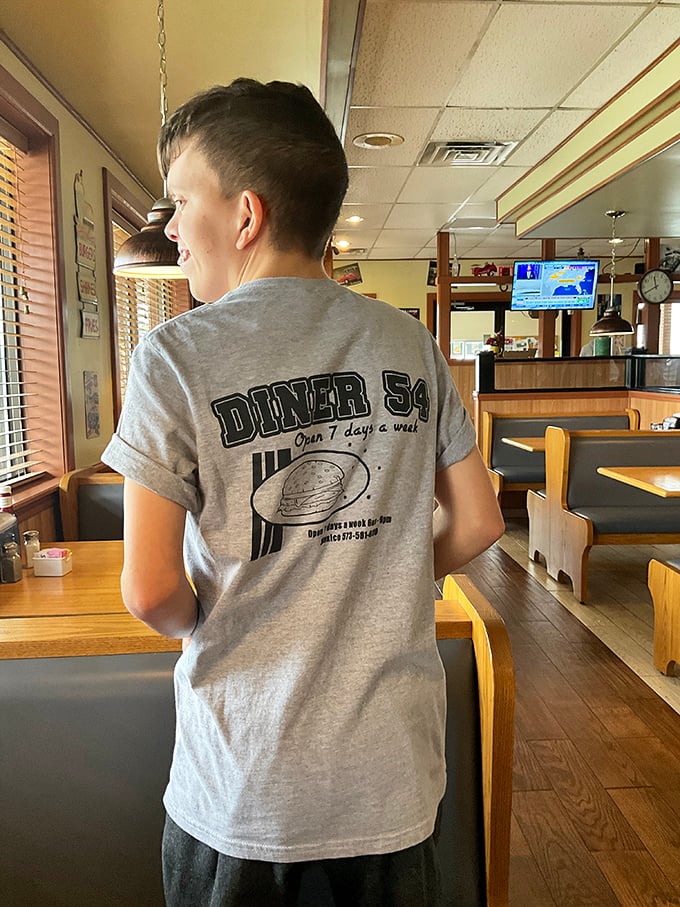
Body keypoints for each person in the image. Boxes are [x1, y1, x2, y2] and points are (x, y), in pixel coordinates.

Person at [102, 78, 504, 906]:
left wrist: (210, 615)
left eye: (181, 202)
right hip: (393, 784)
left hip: (246, 787)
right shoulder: (411, 341)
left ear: (245, 215)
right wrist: (389, 569)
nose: (171, 229)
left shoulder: (172, 358)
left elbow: (148, 591)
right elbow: (480, 521)